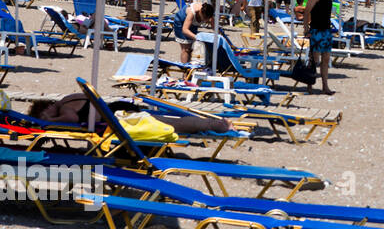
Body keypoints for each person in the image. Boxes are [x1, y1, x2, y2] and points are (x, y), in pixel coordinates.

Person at [30, 92, 235, 134]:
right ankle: (212, 123)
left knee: (172, 125)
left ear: (47, 107)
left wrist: (50, 121)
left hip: (123, 116)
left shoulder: (65, 107)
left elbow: (71, 119)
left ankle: (218, 125)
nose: (46, 118)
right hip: (119, 109)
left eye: (45, 114)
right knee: (168, 121)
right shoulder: (70, 98)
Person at [303, 0, 337, 95]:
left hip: (326, 30)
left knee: (326, 58)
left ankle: (325, 86)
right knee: (315, 59)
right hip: (316, 30)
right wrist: (306, 29)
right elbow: (307, 12)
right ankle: (310, 83)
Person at [175, 0, 214, 65]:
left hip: (193, 24)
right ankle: (185, 72)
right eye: (204, 18)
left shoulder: (209, 13)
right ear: (201, 12)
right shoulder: (192, 12)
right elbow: (185, 30)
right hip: (181, 22)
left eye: (207, 19)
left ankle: (190, 68)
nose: (205, 20)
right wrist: (197, 37)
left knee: (191, 48)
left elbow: (215, 28)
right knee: (186, 49)